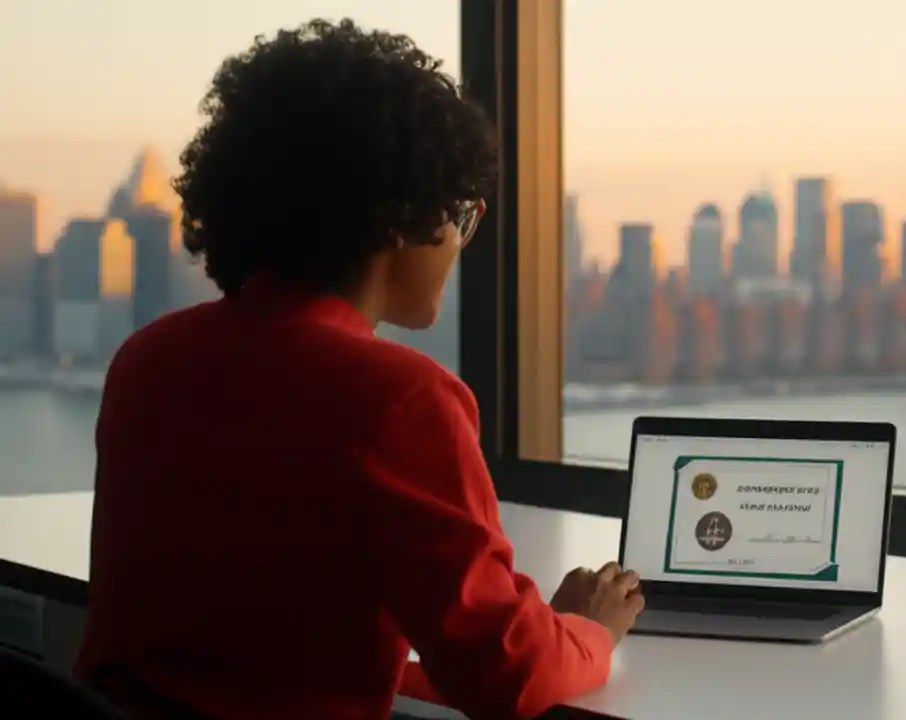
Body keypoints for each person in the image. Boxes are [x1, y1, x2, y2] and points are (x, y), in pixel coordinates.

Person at [74, 19, 644, 720]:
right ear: (403, 220)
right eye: (458, 214)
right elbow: (508, 674)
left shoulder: (148, 359)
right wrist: (589, 630)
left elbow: (244, 638)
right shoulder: (401, 401)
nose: (460, 242)